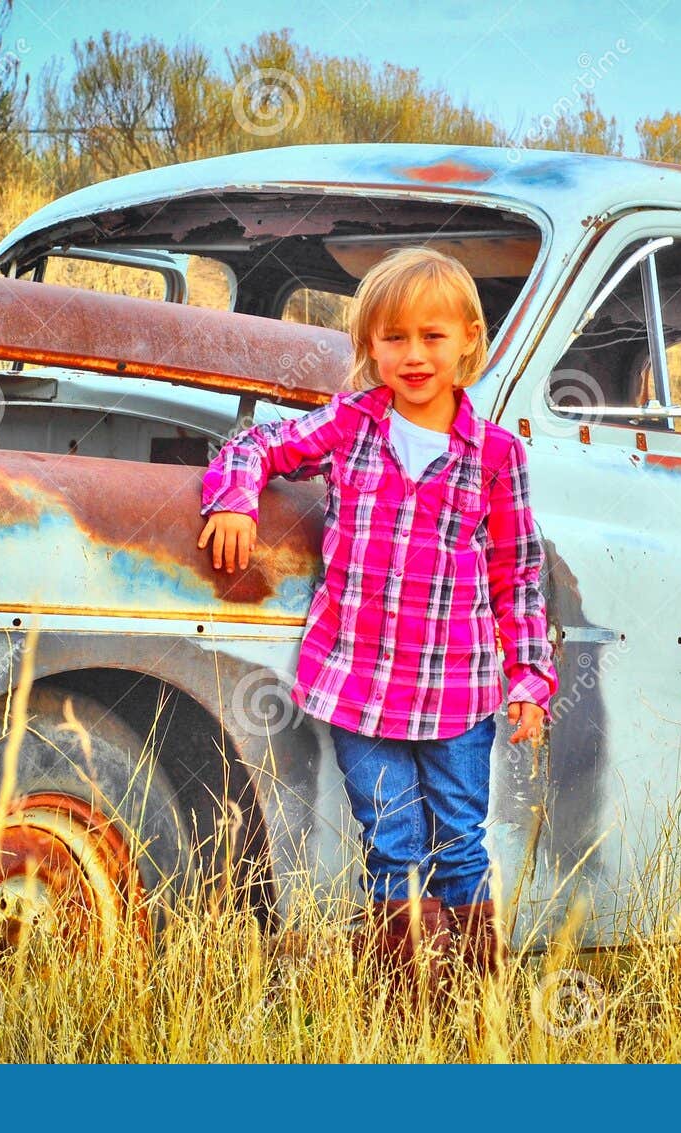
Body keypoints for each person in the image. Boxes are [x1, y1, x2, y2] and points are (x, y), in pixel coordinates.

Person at [196, 246, 558, 996]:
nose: (414, 354)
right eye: (394, 338)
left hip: (456, 697)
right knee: (389, 842)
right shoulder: (353, 425)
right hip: (360, 689)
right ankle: (401, 996)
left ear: (468, 340)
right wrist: (232, 498)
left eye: (433, 336)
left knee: (459, 842)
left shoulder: (495, 456)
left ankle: (472, 1000)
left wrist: (527, 678)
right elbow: (259, 444)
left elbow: (516, 575)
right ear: (369, 349)